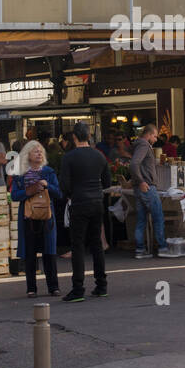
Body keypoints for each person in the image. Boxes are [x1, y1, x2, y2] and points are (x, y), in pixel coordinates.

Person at [59, 122, 112, 302]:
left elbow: (64, 185)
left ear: (74, 137)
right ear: (89, 136)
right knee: (97, 244)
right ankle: (101, 285)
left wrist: (70, 193)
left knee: (78, 245)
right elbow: (107, 182)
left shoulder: (69, 158)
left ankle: (78, 288)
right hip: (97, 202)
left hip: (79, 202)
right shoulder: (99, 156)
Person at [11, 140, 62, 298]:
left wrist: (48, 185)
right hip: (28, 217)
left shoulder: (49, 172)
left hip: (46, 217)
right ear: (27, 155)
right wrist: (30, 191)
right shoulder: (20, 174)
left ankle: (53, 287)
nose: (39, 153)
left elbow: (59, 194)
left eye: (41, 151)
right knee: (30, 253)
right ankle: (31, 288)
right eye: (35, 151)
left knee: (49, 252)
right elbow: (14, 196)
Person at [129, 124, 164, 259]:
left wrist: (138, 181)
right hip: (147, 186)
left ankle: (140, 249)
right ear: (149, 134)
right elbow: (134, 163)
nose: (155, 139)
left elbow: (135, 163)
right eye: (155, 136)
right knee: (158, 217)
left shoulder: (139, 144)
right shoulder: (144, 145)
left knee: (141, 219)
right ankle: (162, 247)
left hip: (139, 186)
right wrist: (142, 181)